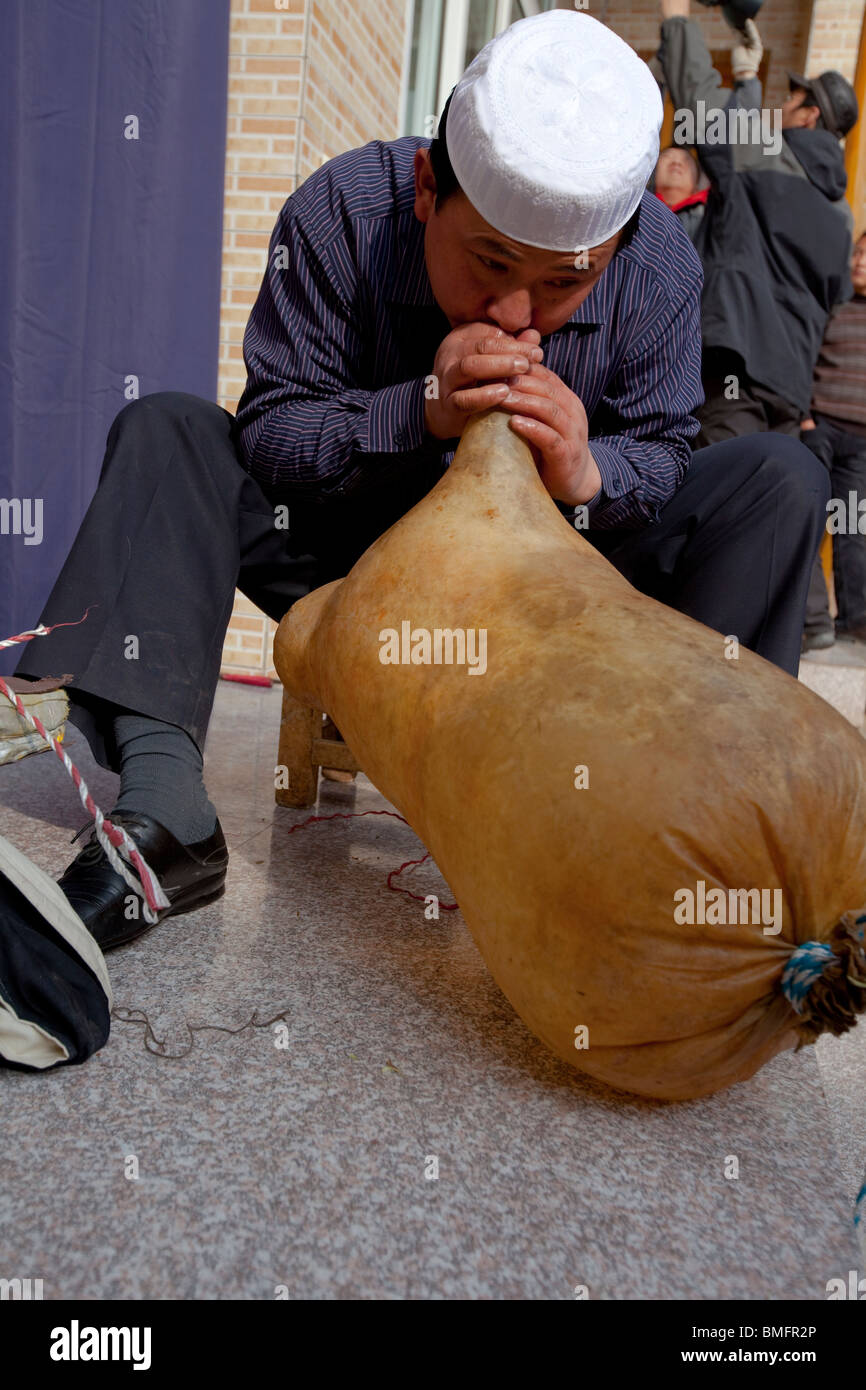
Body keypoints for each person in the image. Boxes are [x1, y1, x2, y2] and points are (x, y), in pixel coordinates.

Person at [12, 10, 829, 951]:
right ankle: (166, 810)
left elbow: (666, 451)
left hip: (562, 594)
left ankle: (698, 825)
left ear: (610, 252)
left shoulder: (659, 264)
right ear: (426, 187)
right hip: (359, 576)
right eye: (488, 263)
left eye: (566, 282)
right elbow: (275, 432)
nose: (519, 314)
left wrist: (587, 469)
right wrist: (416, 410)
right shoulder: (343, 213)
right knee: (171, 430)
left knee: (777, 475)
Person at [659, 0, 857, 446]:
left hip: (735, 372)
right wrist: (747, 78)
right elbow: (837, 300)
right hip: (789, 390)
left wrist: (676, 21)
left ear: (809, 115)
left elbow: (699, 101)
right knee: (763, 504)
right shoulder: (842, 216)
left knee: (718, 502)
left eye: (792, 98)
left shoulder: (760, 155)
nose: (784, 105)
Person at [801, 232, 866, 659]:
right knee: (807, 519)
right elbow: (805, 357)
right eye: (859, 252)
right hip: (821, 427)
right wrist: (806, 415)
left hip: (861, 443)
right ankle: (807, 622)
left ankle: (854, 624)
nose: (860, 261)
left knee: (852, 529)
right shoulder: (832, 306)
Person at [653, 145, 708, 242]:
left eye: (686, 160)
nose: (676, 163)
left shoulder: (708, 219)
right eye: (667, 157)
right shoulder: (634, 211)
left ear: (696, 183)